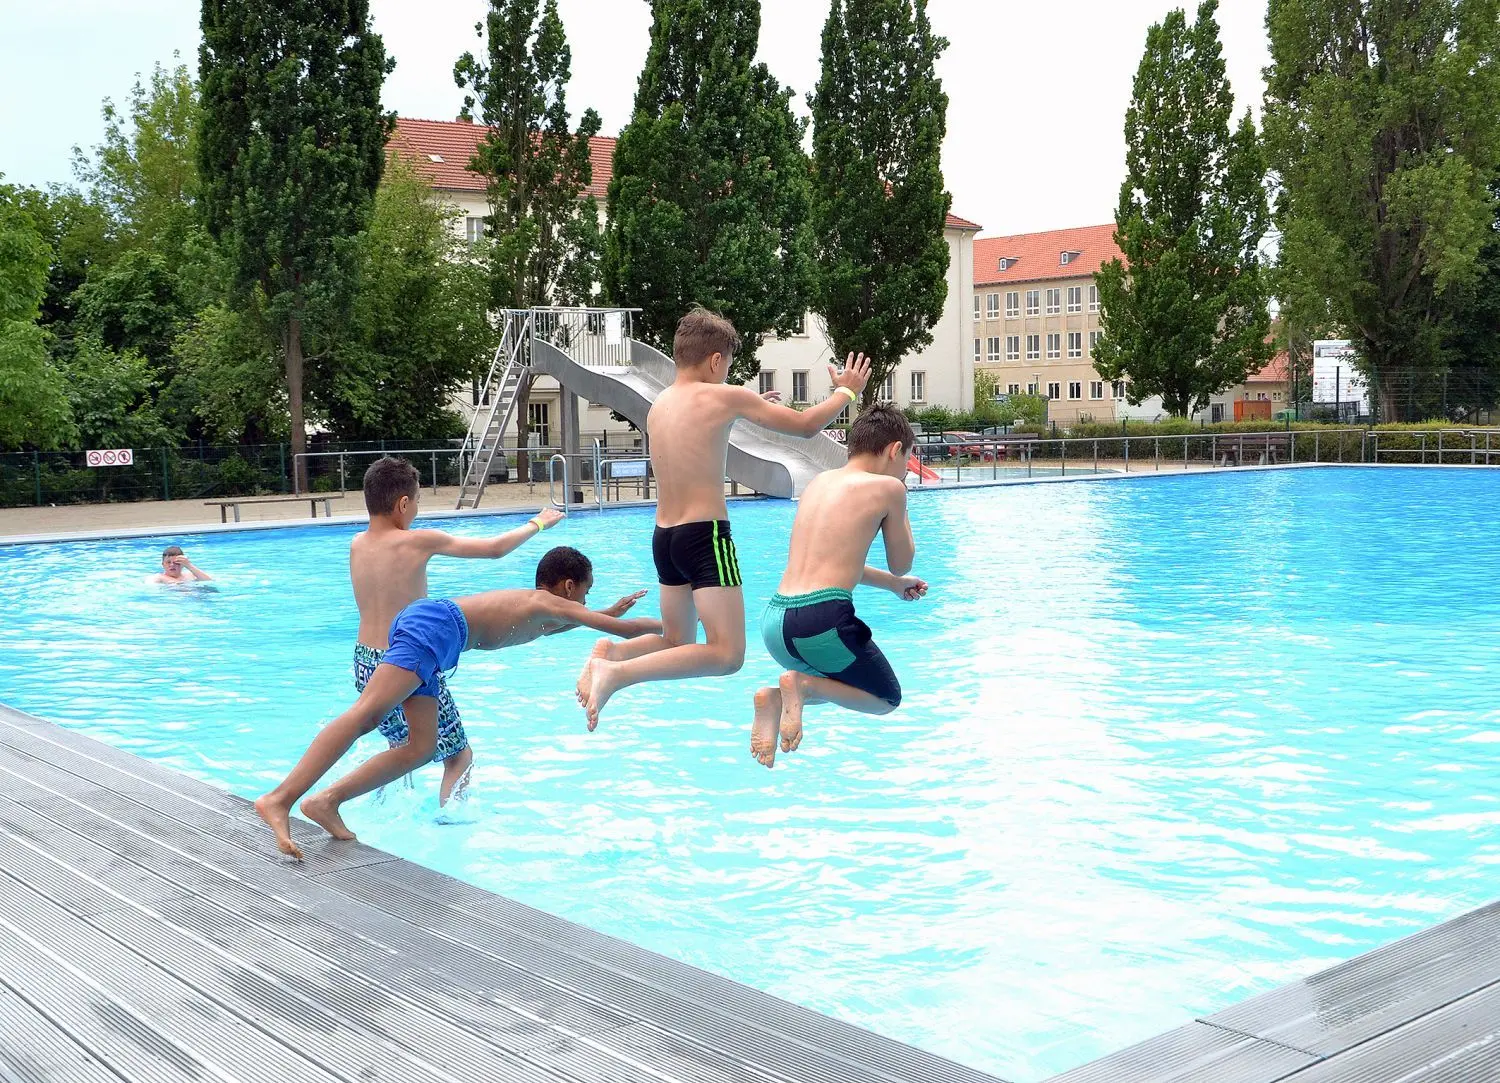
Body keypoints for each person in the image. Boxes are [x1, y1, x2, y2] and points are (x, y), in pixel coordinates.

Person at [255, 546, 662, 859]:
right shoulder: (547, 603)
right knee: (367, 716)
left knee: (421, 747)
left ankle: (326, 801)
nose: (586, 605)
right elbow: (624, 631)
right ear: (569, 586)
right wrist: (687, 623)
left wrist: (605, 612)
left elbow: (556, 627)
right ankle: (280, 798)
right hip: (434, 628)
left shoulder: (543, 611)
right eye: (586, 595)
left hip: (436, 640)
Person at [577, 307, 871, 729]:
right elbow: (807, 426)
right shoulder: (724, 396)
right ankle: (617, 674)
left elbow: (698, 437)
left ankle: (612, 653)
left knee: (676, 640)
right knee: (727, 655)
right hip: (704, 537)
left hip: (665, 537)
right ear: (716, 360)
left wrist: (745, 407)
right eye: (727, 365)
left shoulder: (659, 404)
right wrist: (847, 392)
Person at [347, 456, 575, 805]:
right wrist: (538, 524)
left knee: (399, 749)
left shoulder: (357, 544)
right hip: (404, 660)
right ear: (403, 503)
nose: (417, 510)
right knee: (459, 756)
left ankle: (379, 811)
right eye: (418, 502)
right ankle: (449, 821)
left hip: (364, 660)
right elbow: (494, 550)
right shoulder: (417, 541)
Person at [751, 404, 928, 768]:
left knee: (840, 683)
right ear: (895, 450)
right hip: (820, 624)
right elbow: (903, 560)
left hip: (776, 622)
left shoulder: (820, 482)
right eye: (906, 461)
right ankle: (800, 687)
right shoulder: (889, 488)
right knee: (885, 697)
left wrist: (894, 585)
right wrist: (901, 499)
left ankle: (775, 698)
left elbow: (834, 562)